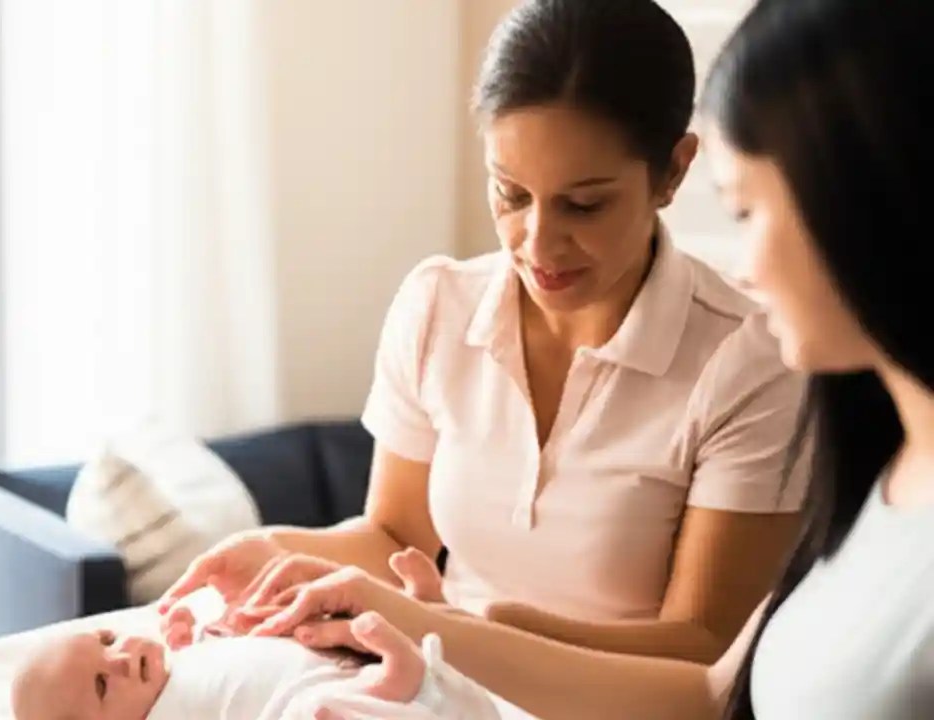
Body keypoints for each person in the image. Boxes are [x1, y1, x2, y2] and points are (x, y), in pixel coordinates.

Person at [203, 1, 934, 718]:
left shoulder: (752, 358)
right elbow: (396, 535)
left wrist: (457, 626)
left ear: (672, 173)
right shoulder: (437, 304)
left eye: (584, 205)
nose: (538, 244)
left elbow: (703, 665)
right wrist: (272, 552)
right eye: (510, 194)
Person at [10, 556, 509, 720]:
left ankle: (423, 612)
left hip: (351, 664)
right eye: (102, 685)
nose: (121, 657)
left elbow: (239, 647)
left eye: (106, 639)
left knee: (313, 628)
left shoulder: (180, 659)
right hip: (328, 703)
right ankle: (398, 676)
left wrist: (212, 629)